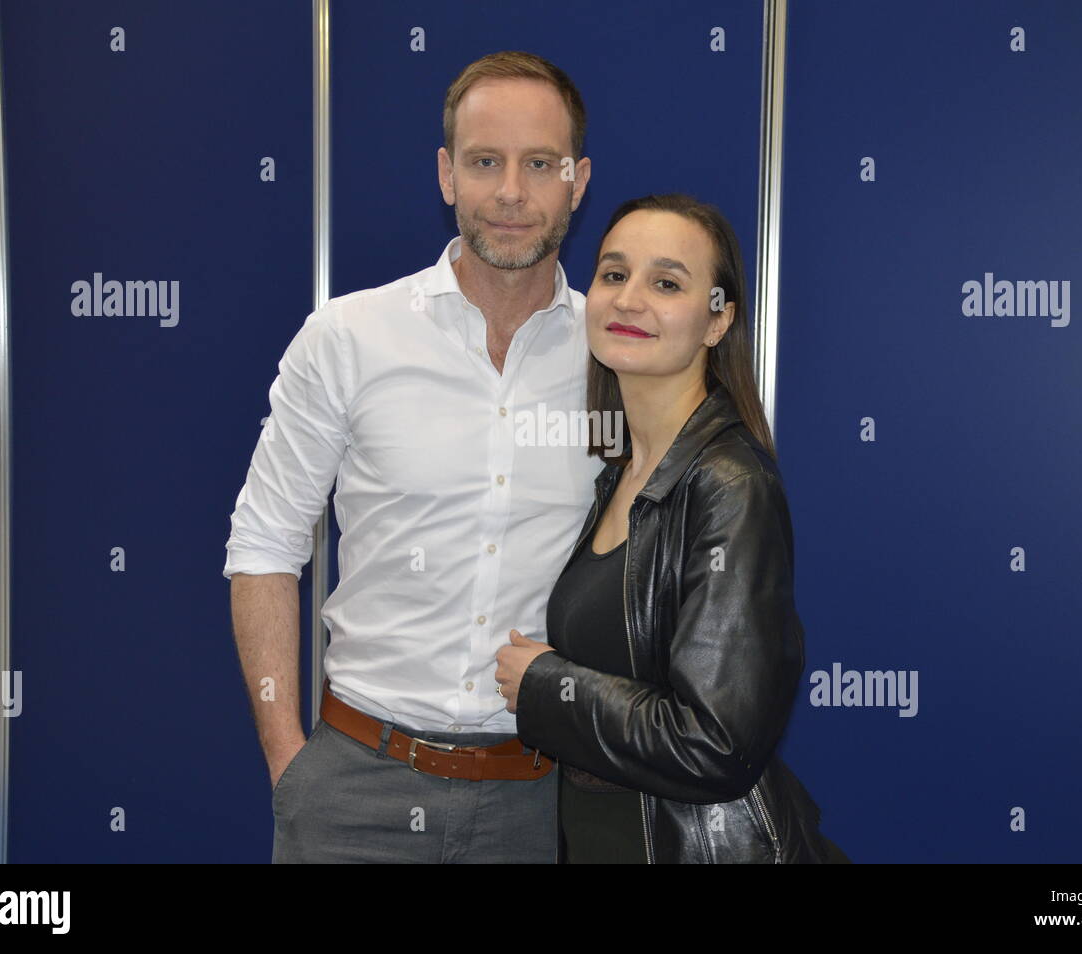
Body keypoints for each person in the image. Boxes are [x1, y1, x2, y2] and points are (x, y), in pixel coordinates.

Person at [223, 51, 603, 863]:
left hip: (540, 805)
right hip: (353, 791)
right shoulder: (349, 338)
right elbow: (263, 545)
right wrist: (290, 765)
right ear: (446, 174)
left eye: (540, 164)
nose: (511, 191)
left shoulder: (614, 363)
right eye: (485, 161)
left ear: (578, 181)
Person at [495, 193, 850, 863]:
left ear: (718, 321)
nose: (629, 299)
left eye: (666, 284)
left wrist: (547, 687)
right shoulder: (619, 475)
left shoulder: (731, 486)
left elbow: (716, 743)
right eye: (613, 274)